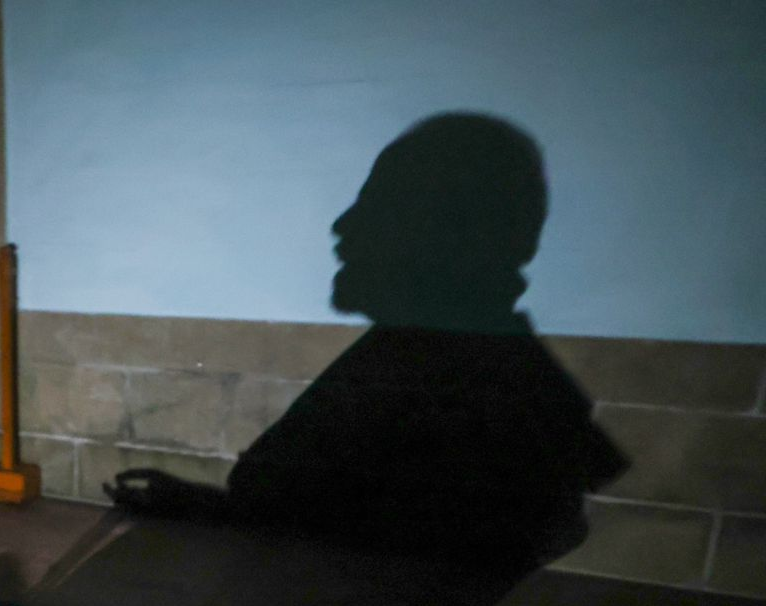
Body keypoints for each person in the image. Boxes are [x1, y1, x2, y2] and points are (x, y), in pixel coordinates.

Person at [108, 113, 625, 565]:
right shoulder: (430, 353)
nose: (343, 225)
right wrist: (203, 506)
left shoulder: (479, 384)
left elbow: (379, 565)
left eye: (381, 205)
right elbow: (328, 519)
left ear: (455, 233)